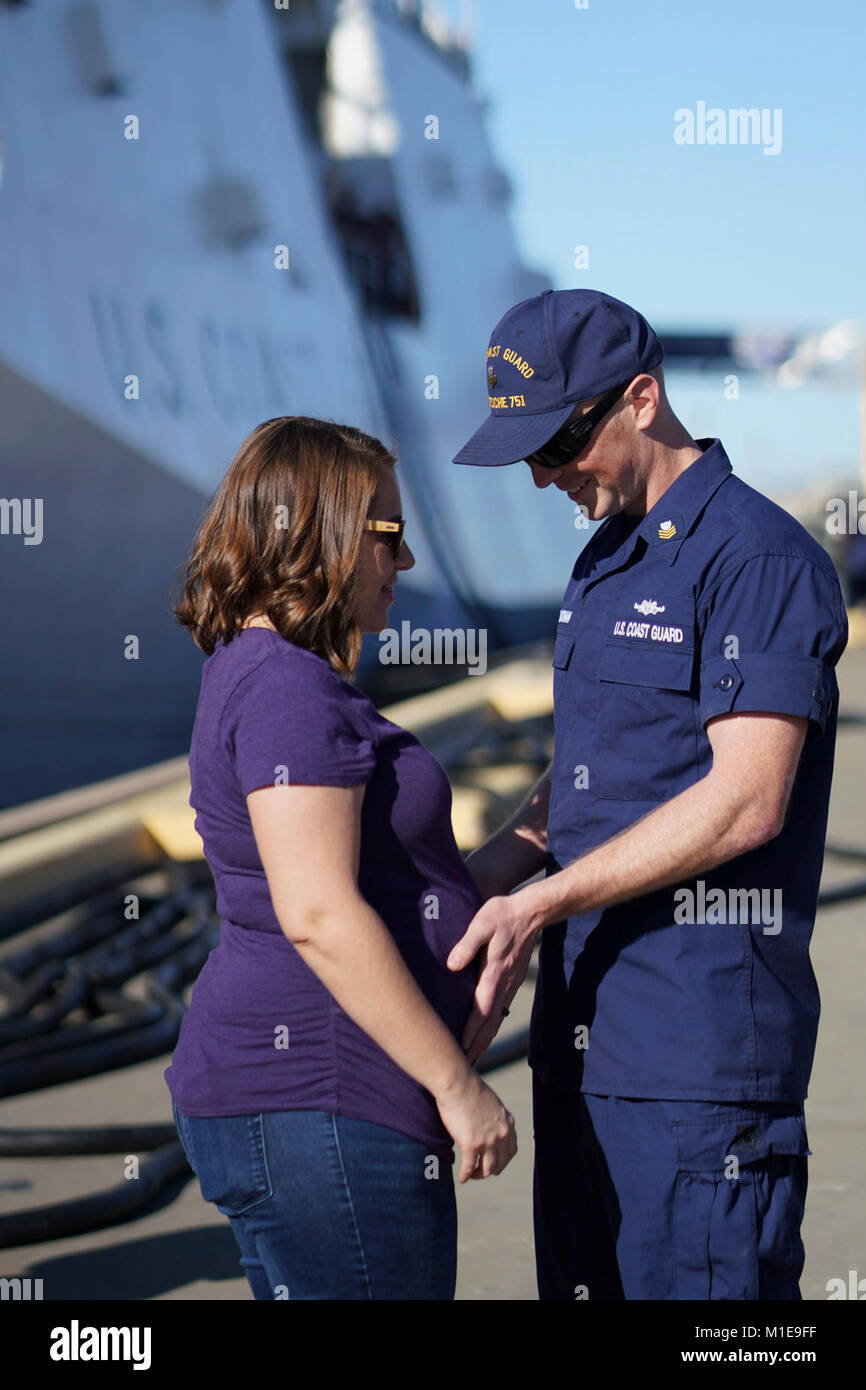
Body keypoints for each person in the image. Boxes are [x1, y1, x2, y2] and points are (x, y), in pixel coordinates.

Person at [448, 288, 849, 1300]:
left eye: (556, 445)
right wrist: (484, 868)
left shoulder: (757, 560)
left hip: (695, 1068)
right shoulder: (608, 559)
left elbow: (746, 798)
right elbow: (605, 761)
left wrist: (539, 902)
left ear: (638, 398)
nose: (542, 477)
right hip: (583, 1047)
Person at [164, 416, 516, 1301]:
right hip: (323, 1105)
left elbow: (390, 888)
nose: (403, 564)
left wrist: (534, 837)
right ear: (316, 532)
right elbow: (318, 913)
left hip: (310, 1107)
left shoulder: (262, 670)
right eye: (387, 536)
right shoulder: (288, 689)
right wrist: (456, 1086)